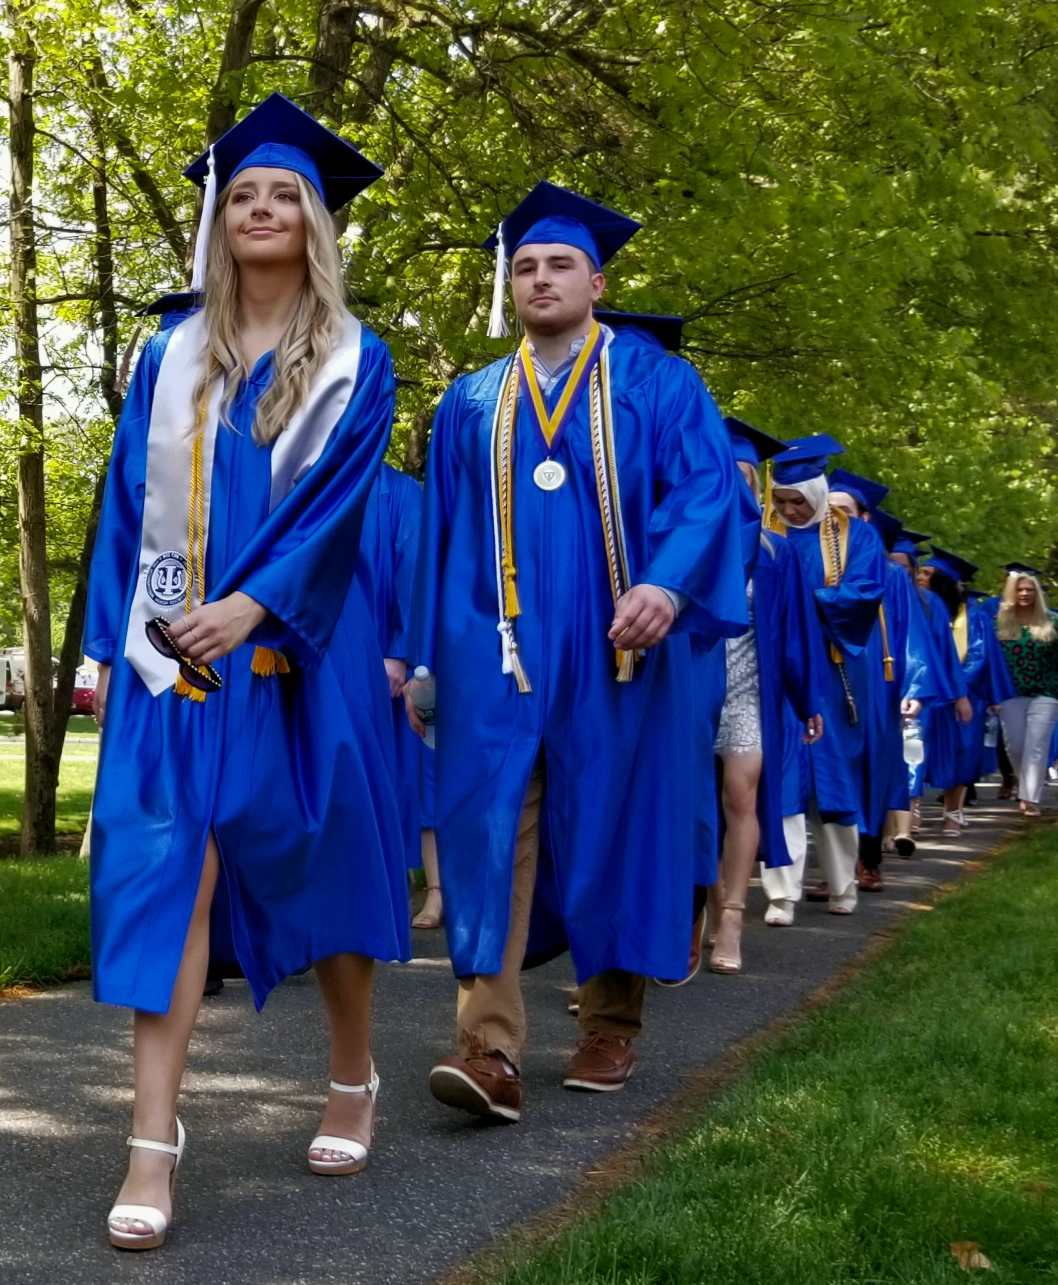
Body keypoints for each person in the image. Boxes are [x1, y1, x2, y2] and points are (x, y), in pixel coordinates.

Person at [85, 94, 410, 1251]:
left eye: (285, 196)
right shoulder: (168, 357)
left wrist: (253, 604)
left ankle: (352, 1071)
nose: (262, 209)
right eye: (243, 197)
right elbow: (127, 506)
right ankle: (151, 1145)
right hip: (174, 666)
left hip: (296, 657)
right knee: (167, 873)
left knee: (321, 873)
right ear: (219, 224)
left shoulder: (356, 362)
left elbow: (334, 510)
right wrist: (126, 645)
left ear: (314, 226)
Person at [408, 182, 747, 1120]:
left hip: (622, 656)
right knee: (488, 835)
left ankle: (609, 1024)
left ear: (596, 280)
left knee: (616, 825)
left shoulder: (656, 382)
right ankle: (488, 1049)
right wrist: (422, 654)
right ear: (508, 286)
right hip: (498, 657)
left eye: (560, 264)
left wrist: (666, 583)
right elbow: (439, 535)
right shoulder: (470, 403)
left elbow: (705, 491)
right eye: (524, 266)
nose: (541, 278)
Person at [710, 417, 822, 953]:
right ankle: (701, 914)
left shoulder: (779, 554)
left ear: (757, 484)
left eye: (746, 476)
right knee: (691, 807)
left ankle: (732, 917)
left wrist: (807, 700)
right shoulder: (688, 541)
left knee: (740, 796)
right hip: (688, 699)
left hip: (747, 694)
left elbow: (797, 635)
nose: (737, 484)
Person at [768, 436, 887, 915]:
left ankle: (843, 885)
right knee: (782, 777)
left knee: (833, 777)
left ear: (818, 493)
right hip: (779, 672)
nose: (790, 509)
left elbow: (863, 592)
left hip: (835, 669)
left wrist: (801, 603)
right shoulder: (763, 536)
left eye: (799, 500)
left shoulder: (857, 537)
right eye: (780, 500)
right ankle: (781, 894)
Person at [355, 463, 443, 927]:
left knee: (404, 778)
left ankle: (413, 893)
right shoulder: (307, 475)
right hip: (324, 661)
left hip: (386, 665)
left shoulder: (400, 492)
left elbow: (414, 572)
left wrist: (400, 653)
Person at [994, 571, 1058, 815]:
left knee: (1037, 744)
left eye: (1029, 590)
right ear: (1012, 592)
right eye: (1019, 589)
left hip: (1047, 692)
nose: (1024, 594)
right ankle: (1026, 785)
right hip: (1010, 693)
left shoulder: (1052, 621)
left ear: (1037, 593)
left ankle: (1030, 800)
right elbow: (991, 661)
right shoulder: (997, 622)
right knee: (1016, 746)